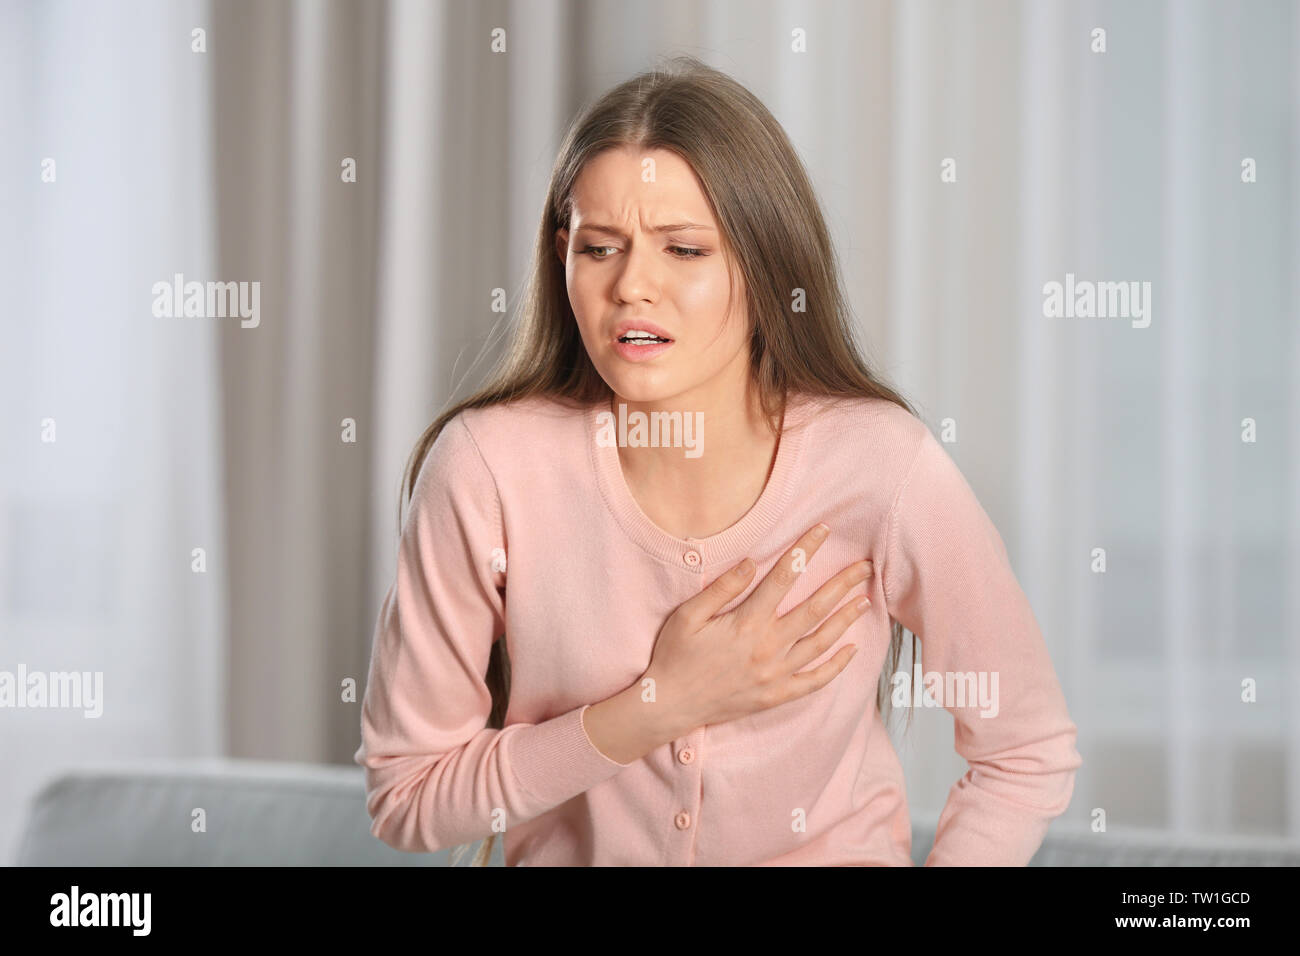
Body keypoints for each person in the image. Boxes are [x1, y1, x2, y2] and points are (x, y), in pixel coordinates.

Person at [353, 55, 1082, 866]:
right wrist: (658, 706)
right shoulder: (487, 470)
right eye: (600, 248)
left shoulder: (882, 467)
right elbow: (408, 797)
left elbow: (1026, 749)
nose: (633, 285)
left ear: (763, 264)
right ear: (563, 258)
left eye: (685, 250)